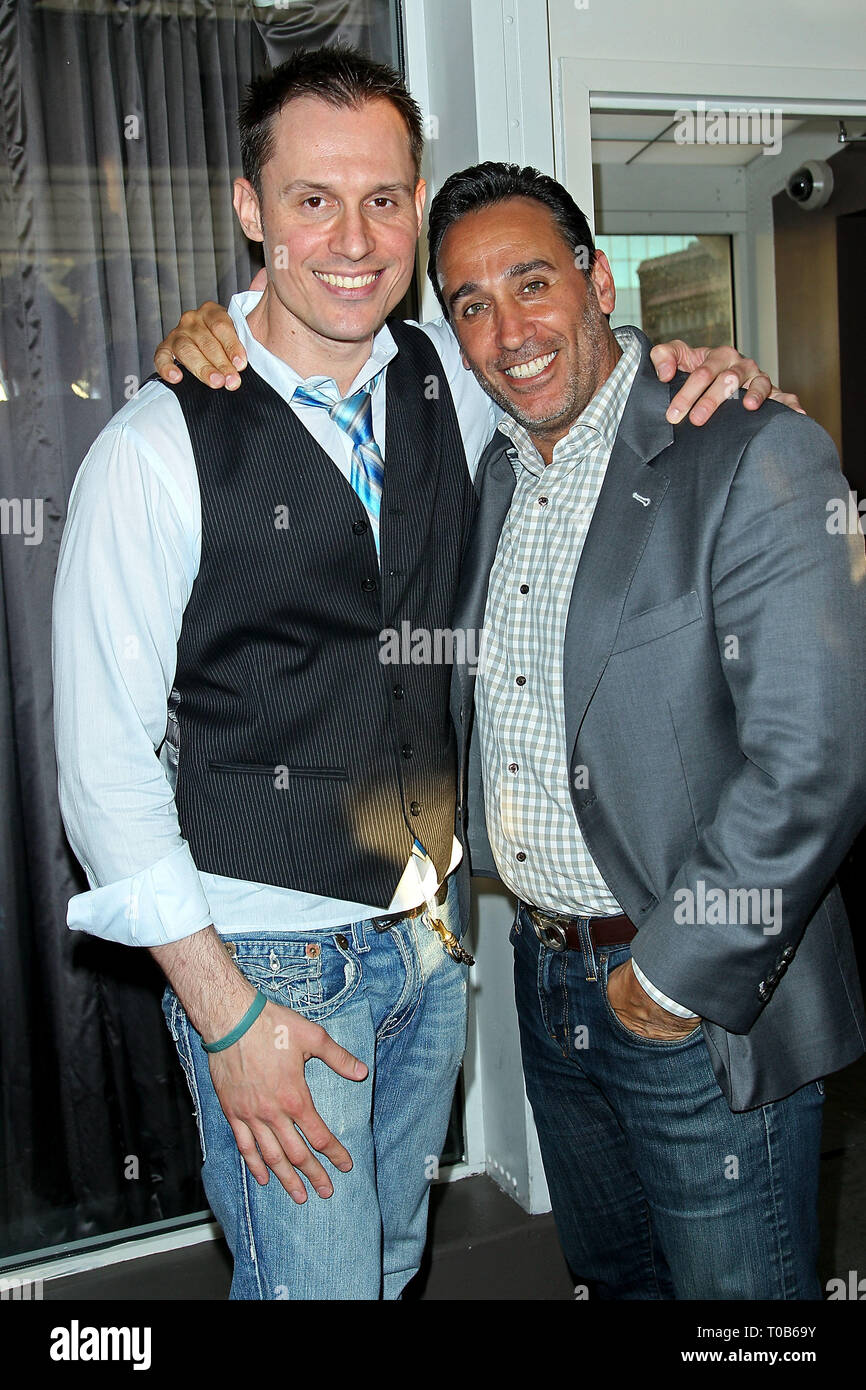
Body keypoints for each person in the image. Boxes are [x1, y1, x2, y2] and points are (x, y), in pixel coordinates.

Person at [54, 45, 791, 1302]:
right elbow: (100, 770)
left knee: (386, 1270)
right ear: (250, 212)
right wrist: (225, 1017)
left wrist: (710, 370)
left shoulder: (446, 378)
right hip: (269, 968)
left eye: (383, 198)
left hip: (428, 953)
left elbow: (575, 368)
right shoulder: (152, 445)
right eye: (311, 199)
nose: (353, 236)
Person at [427, 161, 866, 1299]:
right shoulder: (491, 479)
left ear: (597, 279)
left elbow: (815, 765)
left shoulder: (746, 448)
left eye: (531, 283)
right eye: (469, 305)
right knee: (616, 1286)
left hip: (690, 995)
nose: (506, 329)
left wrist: (664, 982)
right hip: (547, 981)